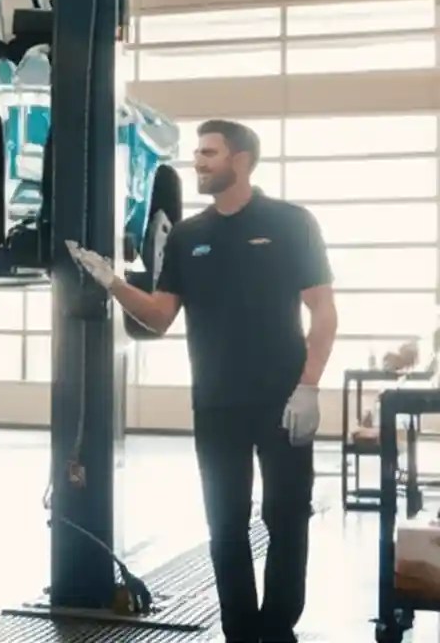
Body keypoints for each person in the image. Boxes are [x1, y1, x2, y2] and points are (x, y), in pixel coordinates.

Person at [67, 119, 338, 643]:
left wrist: (309, 386)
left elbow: (323, 312)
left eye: (209, 152)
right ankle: (240, 632)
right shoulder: (189, 236)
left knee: (286, 517)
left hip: (283, 400)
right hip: (215, 404)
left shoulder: (291, 223)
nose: (198, 161)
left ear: (241, 160)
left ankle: (278, 629)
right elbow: (159, 316)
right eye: (197, 152)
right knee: (225, 525)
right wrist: (111, 282)